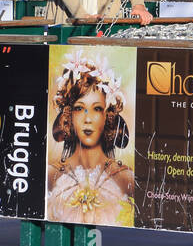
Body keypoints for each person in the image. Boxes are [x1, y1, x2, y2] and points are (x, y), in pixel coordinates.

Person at [46, 52, 134, 226]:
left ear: (108, 115)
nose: (88, 119)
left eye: (97, 109)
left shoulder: (124, 177)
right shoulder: (51, 174)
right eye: (79, 108)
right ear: (68, 115)